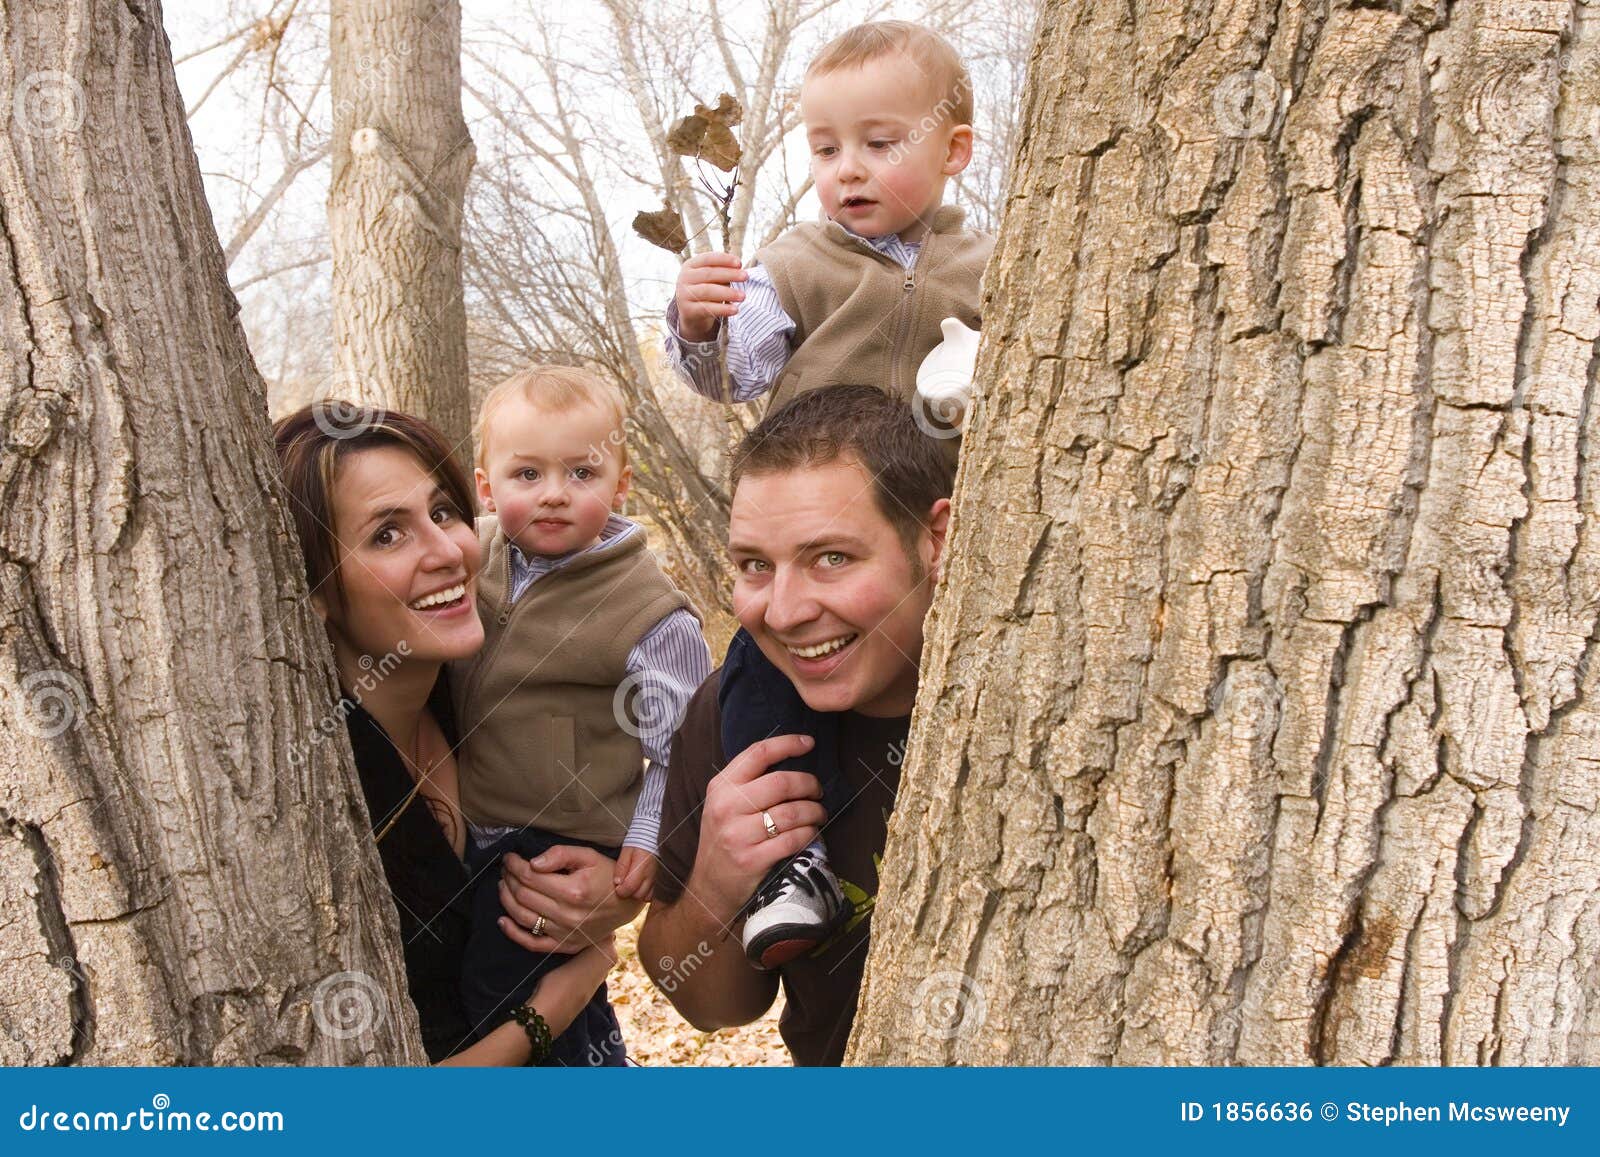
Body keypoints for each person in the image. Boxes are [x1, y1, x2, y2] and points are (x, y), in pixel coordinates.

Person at [663, 20, 992, 968]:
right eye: (824, 148)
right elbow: (736, 366)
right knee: (765, 690)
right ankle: (791, 865)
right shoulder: (800, 261)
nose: (846, 169)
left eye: (879, 144)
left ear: (953, 150)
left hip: (938, 522)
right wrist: (700, 322)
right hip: (825, 488)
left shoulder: (990, 267)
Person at [273, 403, 634, 1065]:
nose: (447, 552)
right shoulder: (316, 785)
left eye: (443, 512)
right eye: (387, 535)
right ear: (313, 586)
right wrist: (555, 1003)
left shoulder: (487, 691)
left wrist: (612, 892)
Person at [638, 386, 955, 1065]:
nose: (782, 612)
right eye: (755, 565)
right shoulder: (732, 715)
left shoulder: (1035, 692)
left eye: (830, 558)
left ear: (936, 539)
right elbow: (710, 1005)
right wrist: (717, 882)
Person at [450, 366, 711, 1064]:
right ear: (485, 486)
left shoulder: (645, 608)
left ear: (621, 485)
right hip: (469, 828)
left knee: (510, 988)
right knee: (466, 981)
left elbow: (684, 747)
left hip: (560, 839)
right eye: (526, 474)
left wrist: (651, 836)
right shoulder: (468, 555)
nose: (554, 494)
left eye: (582, 473)